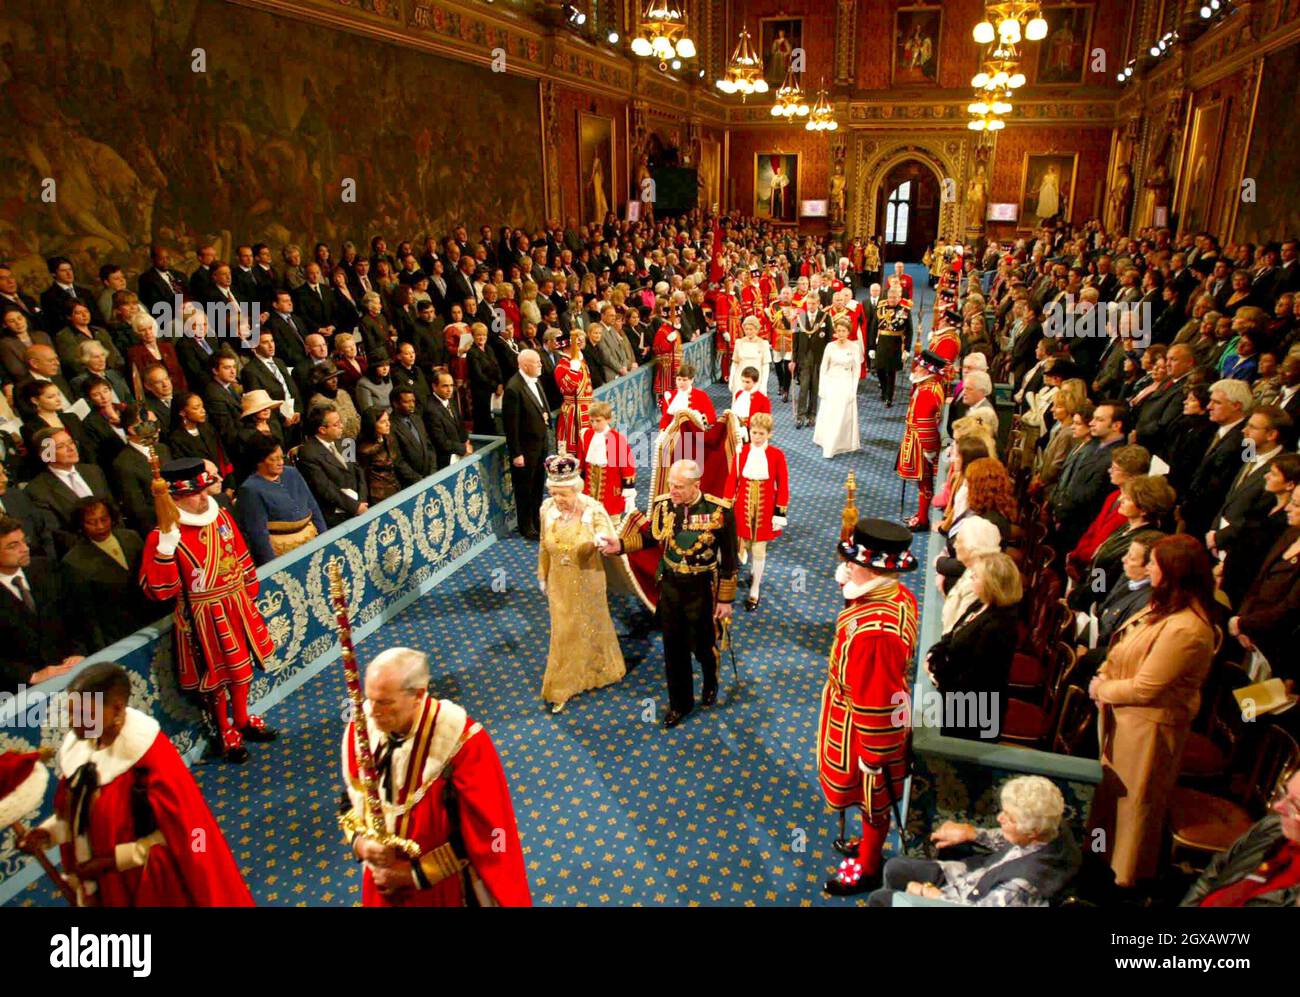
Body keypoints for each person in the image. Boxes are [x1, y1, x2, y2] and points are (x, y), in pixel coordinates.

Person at [17, 662, 254, 906]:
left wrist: (113, 860)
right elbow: (77, 814)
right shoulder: (81, 753)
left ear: (117, 709)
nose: (74, 723)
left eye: (85, 715)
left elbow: (189, 835)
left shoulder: (150, 760)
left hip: (153, 887)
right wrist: (46, 834)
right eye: (71, 713)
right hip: (104, 885)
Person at [342, 647, 531, 906]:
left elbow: (488, 834)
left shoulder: (464, 744)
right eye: (370, 698)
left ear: (418, 695)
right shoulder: (361, 730)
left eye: (385, 702)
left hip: (442, 889)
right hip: (382, 882)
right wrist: (362, 845)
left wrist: (411, 875)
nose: (373, 712)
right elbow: (349, 803)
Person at [1088, 534, 1217, 890]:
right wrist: (1104, 676)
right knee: (1110, 805)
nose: (1148, 569)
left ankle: (1122, 882)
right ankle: (1101, 862)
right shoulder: (1165, 607)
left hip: (1149, 730)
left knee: (1134, 809)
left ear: (1173, 573)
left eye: (1154, 565)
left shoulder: (1189, 629)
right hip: (1125, 720)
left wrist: (1103, 689)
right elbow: (1125, 646)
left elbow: (1147, 688)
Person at [140, 458, 278, 763]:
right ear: (175, 497)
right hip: (202, 617)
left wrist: (249, 591)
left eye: (205, 490)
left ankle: (241, 717)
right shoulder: (162, 536)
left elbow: (241, 554)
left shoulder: (222, 518)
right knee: (215, 679)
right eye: (196, 493)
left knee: (242, 670)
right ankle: (224, 728)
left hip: (236, 604)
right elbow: (160, 591)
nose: (205, 497)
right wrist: (165, 548)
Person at [820, 518, 919, 896]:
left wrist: (875, 756)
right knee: (870, 800)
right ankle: (865, 846)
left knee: (873, 797)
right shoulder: (896, 595)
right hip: (870, 716)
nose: (846, 566)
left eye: (854, 562)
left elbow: (875, 699)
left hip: (868, 733)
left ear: (874, 569)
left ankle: (868, 865)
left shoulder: (875, 632)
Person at [599, 459, 736, 728]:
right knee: (674, 650)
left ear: (696, 485)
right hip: (671, 587)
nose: (673, 490)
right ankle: (680, 704)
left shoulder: (719, 512)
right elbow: (652, 536)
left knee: (704, 646)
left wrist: (726, 599)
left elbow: (729, 560)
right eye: (671, 484)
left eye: (680, 487)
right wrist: (621, 545)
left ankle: (710, 679)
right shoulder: (664, 505)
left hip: (702, 588)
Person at [869, 776, 1080, 908]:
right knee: (895, 868)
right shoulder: (1053, 825)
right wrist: (972, 834)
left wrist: (927, 893)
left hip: (963, 899)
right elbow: (1013, 841)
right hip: (972, 878)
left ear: (1032, 832)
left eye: (1009, 818)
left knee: (882, 899)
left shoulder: (1019, 888)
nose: (999, 818)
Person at [536, 453, 626, 713]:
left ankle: (601, 669)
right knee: (564, 631)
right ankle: (561, 686)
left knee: (592, 622)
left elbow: (609, 536)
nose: (558, 500)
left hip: (588, 578)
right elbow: (544, 544)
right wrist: (542, 573)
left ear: (576, 489)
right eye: (554, 493)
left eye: (563, 494)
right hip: (558, 582)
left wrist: (599, 537)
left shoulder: (593, 509)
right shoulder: (547, 509)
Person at [925, 552, 1023, 741]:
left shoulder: (999, 627)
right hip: (960, 701)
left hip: (974, 714)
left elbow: (975, 679)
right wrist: (935, 653)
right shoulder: (982, 603)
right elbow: (954, 634)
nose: (971, 578)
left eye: (976, 576)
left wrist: (938, 675)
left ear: (991, 584)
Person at [1181, 764, 1300, 907]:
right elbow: (1212, 877)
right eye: (1283, 792)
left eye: (1294, 805)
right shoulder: (1273, 827)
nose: (1278, 806)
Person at [0, 514, 85, 693]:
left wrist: (78, 651)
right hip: (22, 691)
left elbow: (78, 615)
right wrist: (31, 676)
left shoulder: (47, 569)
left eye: (24, 541)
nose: (25, 549)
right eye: (13, 546)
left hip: (72, 672)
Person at [60, 497, 152, 649]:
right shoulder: (74, 561)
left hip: (151, 617)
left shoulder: (131, 537)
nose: (100, 526)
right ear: (81, 525)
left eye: (104, 519)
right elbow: (87, 612)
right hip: (119, 634)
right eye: (92, 522)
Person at [1230, 487, 1300, 685]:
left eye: (1296, 504)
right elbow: (1258, 580)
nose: (1287, 508)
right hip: (1246, 630)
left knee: (1250, 709)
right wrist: (1241, 622)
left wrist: (1246, 625)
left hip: (1274, 645)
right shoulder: (1290, 534)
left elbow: (1290, 609)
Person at [728, 412, 787, 612]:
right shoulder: (741, 452)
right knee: (742, 544)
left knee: (759, 549)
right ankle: (752, 570)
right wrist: (727, 505)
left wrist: (780, 513)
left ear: (769, 434)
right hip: (742, 509)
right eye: (754, 433)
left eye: (762, 433)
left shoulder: (777, 455)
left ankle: (755, 589)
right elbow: (732, 481)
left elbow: (783, 485)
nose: (757, 437)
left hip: (765, 511)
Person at [502, 350, 551, 540]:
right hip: (525, 449)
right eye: (537, 362)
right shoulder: (513, 389)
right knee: (525, 488)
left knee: (538, 485)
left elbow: (541, 407)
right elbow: (511, 426)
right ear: (524, 365)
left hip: (540, 444)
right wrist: (516, 453)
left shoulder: (535, 380)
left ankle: (537, 521)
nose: (541, 365)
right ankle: (526, 526)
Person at [897, 350, 948, 532]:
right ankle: (921, 514)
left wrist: (929, 449)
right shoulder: (929, 386)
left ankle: (923, 518)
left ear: (928, 370)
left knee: (924, 481)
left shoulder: (927, 390)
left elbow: (925, 422)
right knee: (923, 482)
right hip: (918, 440)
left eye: (920, 366)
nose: (916, 368)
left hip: (920, 443)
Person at [297, 403, 369, 529]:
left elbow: (359, 471)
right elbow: (326, 489)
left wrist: (362, 500)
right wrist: (354, 506)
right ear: (322, 429)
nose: (341, 426)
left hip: (361, 505)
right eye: (336, 424)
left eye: (340, 421)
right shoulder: (308, 453)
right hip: (337, 514)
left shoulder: (346, 442)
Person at [813, 318, 862, 459]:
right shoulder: (830, 346)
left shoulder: (854, 347)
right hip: (831, 382)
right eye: (838, 331)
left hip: (846, 382)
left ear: (848, 332)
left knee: (842, 414)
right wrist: (822, 386)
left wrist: (854, 389)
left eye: (843, 331)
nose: (840, 334)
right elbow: (823, 367)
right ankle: (827, 442)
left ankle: (841, 443)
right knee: (830, 413)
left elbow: (856, 371)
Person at [578, 401, 635, 521]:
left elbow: (627, 468)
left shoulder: (616, 439)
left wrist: (629, 492)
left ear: (608, 419)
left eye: (598, 421)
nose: (594, 425)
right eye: (592, 421)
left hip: (611, 493)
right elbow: (582, 462)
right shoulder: (586, 436)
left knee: (611, 527)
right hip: (589, 492)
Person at [871, 284, 913, 407]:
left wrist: (907, 349)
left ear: (899, 297)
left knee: (891, 372)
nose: (892, 299)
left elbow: (909, 331)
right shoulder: (880, 309)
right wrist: (872, 347)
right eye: (890, 297)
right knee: (879, 369)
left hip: (896, 343)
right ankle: (884, 390)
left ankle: (889, 397)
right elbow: (874, 328)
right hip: (882, 342)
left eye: (895, 297)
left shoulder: (904, 310)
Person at [793, 296, 832, 428]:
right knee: (803, 388)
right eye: (809, 303)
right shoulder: (799, 317)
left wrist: (828, 360)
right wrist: (793, 360)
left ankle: (812, 415)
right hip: (803, 357)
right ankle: (800, 416)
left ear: (819, 303)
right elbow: (795, 340)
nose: (811, 306)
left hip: (819, 358)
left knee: (815, 388)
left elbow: (829, 340)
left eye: (814, 303)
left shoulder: (825, 317)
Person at [554, 329, 593, 454]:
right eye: (576, 346)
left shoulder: (579, 362)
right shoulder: (562, 366)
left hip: (586, 410)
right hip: (573, 413)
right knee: (575, 451)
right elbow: (567, 387)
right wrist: (574, 370)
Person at [357, 405, 401, 503]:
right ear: (372, 424)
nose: (388, 424)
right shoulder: (364, 450)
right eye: (382, 422)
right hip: (378, 494)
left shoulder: (389, 438)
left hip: (395, 486)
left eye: (388, 420)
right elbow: (362, 477)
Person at [729, 316, 772, 396]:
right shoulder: (739, 343)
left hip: (756, 379)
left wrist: (763, 384)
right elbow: (735, 363)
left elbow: (765, 366)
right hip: (740, 379)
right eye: (746, 329)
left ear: (756, 329)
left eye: (751, 329)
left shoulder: (763, 344)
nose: (748, 332)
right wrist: (731, 380)